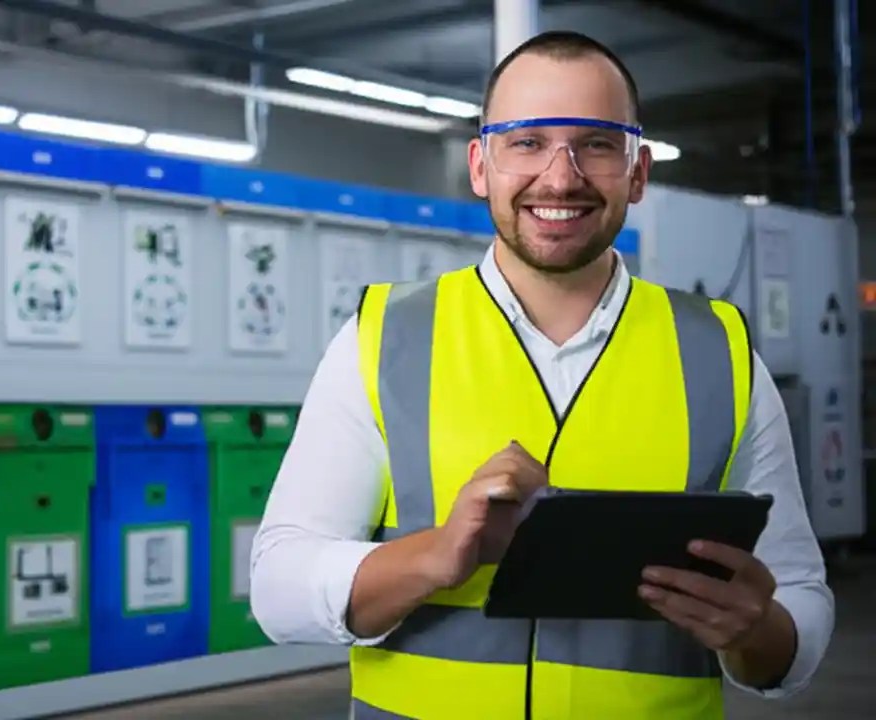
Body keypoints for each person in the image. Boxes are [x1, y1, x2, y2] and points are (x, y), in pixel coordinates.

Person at [248, 30, 834, 720]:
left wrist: (755, 633)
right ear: (480, 166)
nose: (560, 177)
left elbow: (800, 602)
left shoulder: (720, 351)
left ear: (638, 170)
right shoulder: (383, 340)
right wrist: (439, 555)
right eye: (527, 142)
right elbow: (278, 591)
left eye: (596, 143)